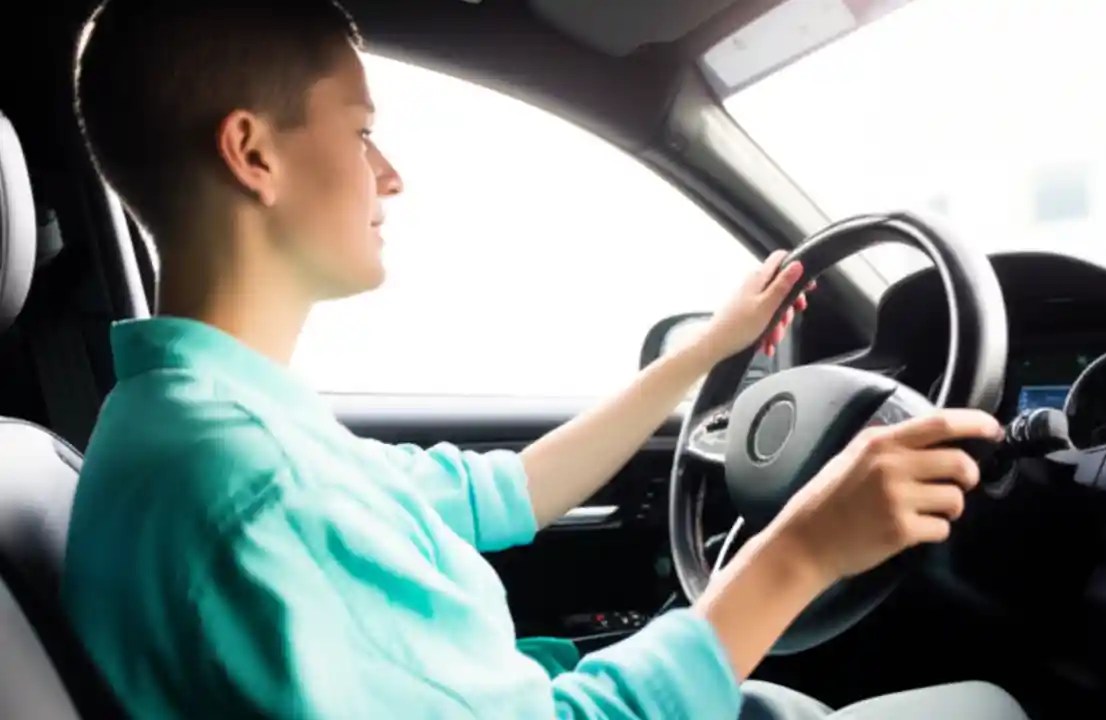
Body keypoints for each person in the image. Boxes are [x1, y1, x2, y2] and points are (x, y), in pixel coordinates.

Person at [62, 1, 1029, 718]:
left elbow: (507, 492)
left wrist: (707, 351)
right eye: (360, 132)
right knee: (986, 706)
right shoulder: (255, 491)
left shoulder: (194, 423)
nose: (390, 176)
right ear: (252, 154)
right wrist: (804, 551)